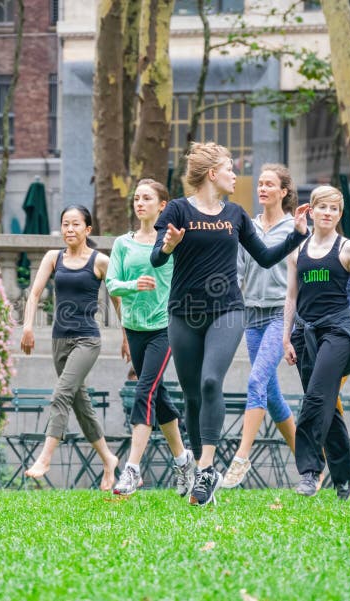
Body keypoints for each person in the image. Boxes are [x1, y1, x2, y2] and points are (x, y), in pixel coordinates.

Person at [151, 142, 309, 506]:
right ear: (212, 174)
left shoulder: (236, 214)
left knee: (210, 381)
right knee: (191, 394)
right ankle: (196, 466)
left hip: (227, 310)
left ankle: (206, 468)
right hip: (183, 312)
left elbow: (267, 258)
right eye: (229, 168)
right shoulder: (177, 209)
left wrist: (298, 235)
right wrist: (170, 245)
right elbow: (157, 258)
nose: (235, 174)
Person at [283, 185, 350, 501]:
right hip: (304, 335)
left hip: (338, 333)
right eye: (322, 207)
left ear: (339, 215)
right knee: (327, 405)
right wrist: (285, 337)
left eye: (334, 209)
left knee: (316, 398)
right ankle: (345, 475)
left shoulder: (348, 249)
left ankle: (310, 472)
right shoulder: (296, 251)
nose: (327, 213)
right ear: (310, 210)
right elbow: (290, 297)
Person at [20, 206, 122, 491]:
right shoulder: (54, 258)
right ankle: (108, 459)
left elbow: (117, 301)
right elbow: (35, 292)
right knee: (81, 404)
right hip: (59, 339)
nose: (69, 230)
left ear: (88, 230)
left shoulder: (100, 261)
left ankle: (45, 458)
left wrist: (127, 336)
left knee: (61, 395)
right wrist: (28, 326)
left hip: (87, 339)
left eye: (76, 224)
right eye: (65, 224)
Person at [106, 178, 196, 496]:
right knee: (158, 398)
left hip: (164, 327)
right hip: (134, 328)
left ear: (162, 206)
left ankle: (131, 470)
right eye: (137, 198)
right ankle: (183, 460)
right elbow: (111, 283)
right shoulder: (122, 244)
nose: (139, 203)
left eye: (147, 198)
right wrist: (134, 286)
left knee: (144, 391)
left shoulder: (169, 243)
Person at [222, 164, 300, 489]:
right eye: (260, 184)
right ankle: (312, 461)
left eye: (270, 184)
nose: (263, 189)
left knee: (256, 380)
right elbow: (238, 273)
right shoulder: (248, 228)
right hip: (252, 315)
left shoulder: (293, 229)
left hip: (280, 317)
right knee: (271, 394)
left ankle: (241, 458)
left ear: (284, 192)